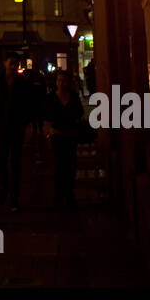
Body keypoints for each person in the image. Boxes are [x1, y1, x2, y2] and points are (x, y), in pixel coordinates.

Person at [0, 52, 31, 211]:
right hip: (0, 128)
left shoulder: (23, 83)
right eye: (11, 63)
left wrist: (25, 125)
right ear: (5, 63)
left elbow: (27, 106)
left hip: (16, 128)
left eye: (15, 64)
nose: (13, 67)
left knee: (16, 163)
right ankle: (4, 189)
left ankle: (14, 195)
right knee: (2, 161)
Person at [44, 69, 85, 209]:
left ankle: (69, 192)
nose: (61, 83)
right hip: (57, 135)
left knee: (71, 164)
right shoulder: (51, 98)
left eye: (63, 80)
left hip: (70, 135)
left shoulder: (73, 97)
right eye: (59, 80)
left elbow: (79, 113)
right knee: (59, 164)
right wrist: (48, 133)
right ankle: (59, 193)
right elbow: (47, 117)